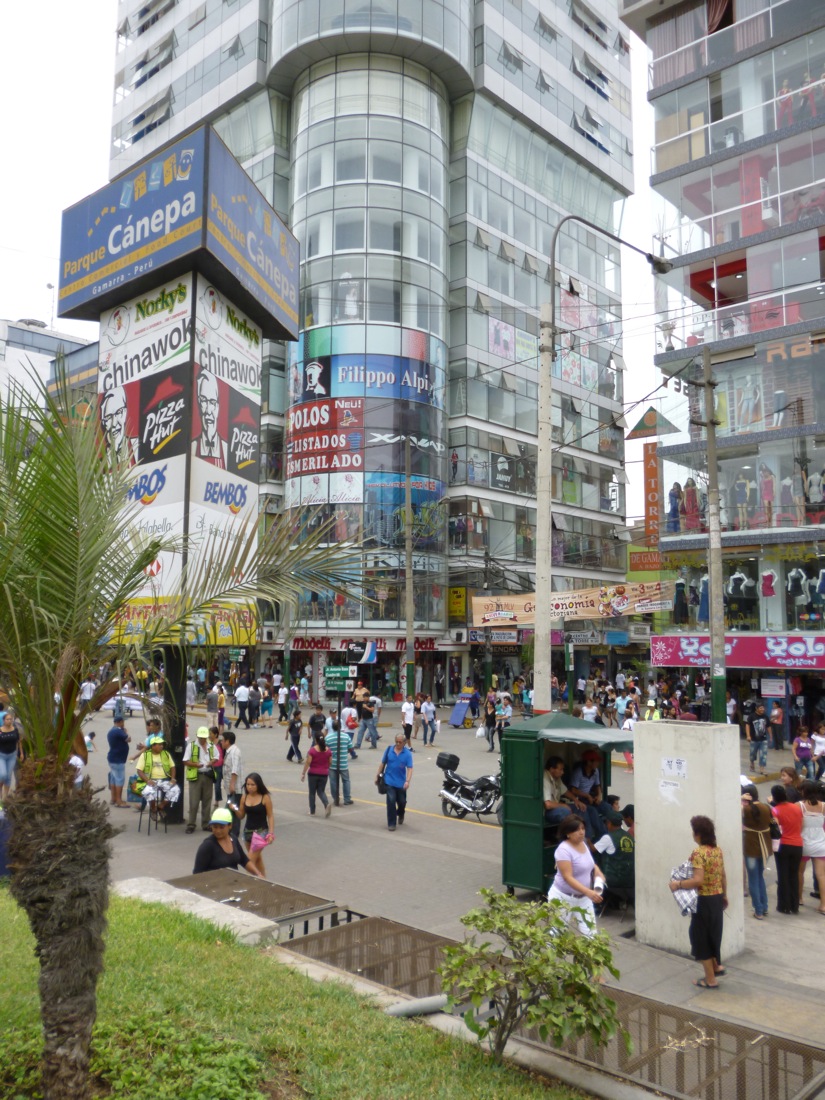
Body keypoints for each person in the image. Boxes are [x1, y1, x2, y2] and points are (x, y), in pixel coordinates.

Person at [668, 815, 727, 988]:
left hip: (703, 900)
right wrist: (724, 895)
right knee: (713, 935)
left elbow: (698, 880)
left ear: (698, 834)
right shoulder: (717, 850)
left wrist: (678, 884)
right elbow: (723, 875)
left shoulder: (699, 853)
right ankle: (716, 966)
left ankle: (710, 979)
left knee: (700, 937)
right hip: (716, 898)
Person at [546, 815, 606, 937]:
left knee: (591, 935)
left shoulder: (583, 844)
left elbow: (591, 865)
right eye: (577, 830)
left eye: (583, 829)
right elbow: (568, 877)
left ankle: (586, 956)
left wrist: (599, 876)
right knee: (557, 934)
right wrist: (589, 892)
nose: (581, 832)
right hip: (563, 898)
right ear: (567, 833)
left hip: (583, 899)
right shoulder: (563, 850)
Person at [193, 808, 264, 877]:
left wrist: (258, 874)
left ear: (230, 826)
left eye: (221, 827)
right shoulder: (207, 846)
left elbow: (244, 860)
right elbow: (197, 873)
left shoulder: (233, 839)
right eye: (215, 827)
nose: (218, 831)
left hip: (233, 883)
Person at [770, 784, 804, 914]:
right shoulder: (796, 808)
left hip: (783, 844)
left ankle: (784, 905)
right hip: (797, 844)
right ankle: (795, 905)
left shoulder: (776, 810)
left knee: (783, 875)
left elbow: (776, 828)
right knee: (793, 875)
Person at [740, 784, 772, 920]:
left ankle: (758, 909)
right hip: (765, 847)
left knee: (753, 878)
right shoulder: (766, 807)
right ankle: (764, 907)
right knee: (760, 877)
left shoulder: (746, 810)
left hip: (751, 848)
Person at [236, 773, 274, 877]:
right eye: (248, 784)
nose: (250, 787)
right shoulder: (244, 797)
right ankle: (264, 880)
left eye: (253, 784)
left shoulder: (265, 798)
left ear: (258, 785)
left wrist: (270, 834)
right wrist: (234, 809)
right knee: (257, 859)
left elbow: (270, 816)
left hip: (261, 833)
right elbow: (241, 816)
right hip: (247, 832)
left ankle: (246, 884)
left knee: (249, 861)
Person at [183, 726, 218, 834]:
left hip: (207, 775)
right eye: (201, 738)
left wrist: (211, 762)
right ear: (197, 736)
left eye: (204, 738)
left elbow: (217, 757)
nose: (202, 740)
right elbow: (185, 761)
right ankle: (191, 824)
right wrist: (195, 765)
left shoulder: (211, 746)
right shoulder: (191, 746)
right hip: (196, 775)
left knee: (207, 801)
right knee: (194, 801)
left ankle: (206, 823)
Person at [135, 734, 180, 814]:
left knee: (175, 789)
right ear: (153, 746)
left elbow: (172, 767)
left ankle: (160, 806)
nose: (161, 746)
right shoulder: (145, 755)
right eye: (159, 745)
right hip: (151, 781)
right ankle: (153, 808)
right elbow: (139, 771)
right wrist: (147, 780)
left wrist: (172, 779)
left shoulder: (166, 754)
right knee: (147, 792)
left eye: (162, 744)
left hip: (164, 780)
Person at [376, 733, 413, 831]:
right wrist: (377, 776)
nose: (397, 744)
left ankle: (401, 813)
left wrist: (407, 781)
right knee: (391, 801)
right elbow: (382, 763)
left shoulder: (407, 754)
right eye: (396, 741)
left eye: (400, 742)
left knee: (402, 802)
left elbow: (410, 769)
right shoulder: (389, 750)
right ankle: (391, 823)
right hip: (389, 781)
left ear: (404, 743)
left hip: (401, 783)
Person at [798, 780, 825, 913]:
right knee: (821, 875)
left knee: (800, 872)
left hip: (804, 843)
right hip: (821, 843)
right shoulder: (823, 806)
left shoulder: (800, 806)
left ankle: (799, 898)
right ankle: (823, 905)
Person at [192, 369, 228, 467]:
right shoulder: (192, 447)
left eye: (212, 402)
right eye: (203, 400)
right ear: (199, 403)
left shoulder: (226, 450)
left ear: (217, 407)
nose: (208, 411)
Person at [301, 732, 332, 817]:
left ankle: (312, 811)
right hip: (324, 774)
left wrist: (303, 773)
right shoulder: (328, 750)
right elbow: (330, 762)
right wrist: (325, 768)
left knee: (312, 792)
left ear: (315, 740)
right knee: (321, 791)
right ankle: (326, 804)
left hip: (313, 774)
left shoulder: (312, 750)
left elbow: (308, 762)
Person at [326, 718, 354, 806]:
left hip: (332, 763)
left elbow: (325, 750)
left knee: (333, 782)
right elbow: (351, 748)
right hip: (343, 763)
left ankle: (336, 799)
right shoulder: (346, 736)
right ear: (340, 727)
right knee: (346, 781)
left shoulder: (328, 737)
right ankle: (347, 799)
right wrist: (345, 751)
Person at [221, 731, 244, 836]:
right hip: (230, 788)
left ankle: (233, 832)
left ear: (228, 741)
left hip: (234, 788)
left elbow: (235, 769)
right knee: (233, 809)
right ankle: (232, 831)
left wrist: (232, 784)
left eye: (223, 740)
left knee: (232, 809)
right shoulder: (229, 751)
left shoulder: (234, 751)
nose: (221, 742)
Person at [106, 716, 131, 808]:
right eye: (123, 721)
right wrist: (125, 732)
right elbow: (128, 739)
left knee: (113, 778)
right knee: (119, 779)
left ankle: (113, 798)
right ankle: (118, 800)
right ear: (120, 722)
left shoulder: (112, 730)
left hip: (113, 757)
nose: (124, 723)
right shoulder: (118, 730)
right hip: (118, 759)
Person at [747, 703, 770, 776]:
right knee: (752, 754)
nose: (762, 709)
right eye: (760, 708)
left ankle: (762, 768)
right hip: (754, 739)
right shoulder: (751, 716)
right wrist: (748, 735)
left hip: (763, 739)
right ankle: (752, 763)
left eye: (763, 708)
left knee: (763, 754)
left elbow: (768, 726)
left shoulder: (765, 716)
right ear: (756, 709)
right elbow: (747, 726)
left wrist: (771, 736)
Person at [208, 726, 223, 805]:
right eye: (209, 733)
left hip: (219, 767)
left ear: (216, 734)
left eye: (211, 734)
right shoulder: (208, 743)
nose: (209, 735)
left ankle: (217, 800)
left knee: (217, 785)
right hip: (210, 767)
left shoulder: (220, 743)